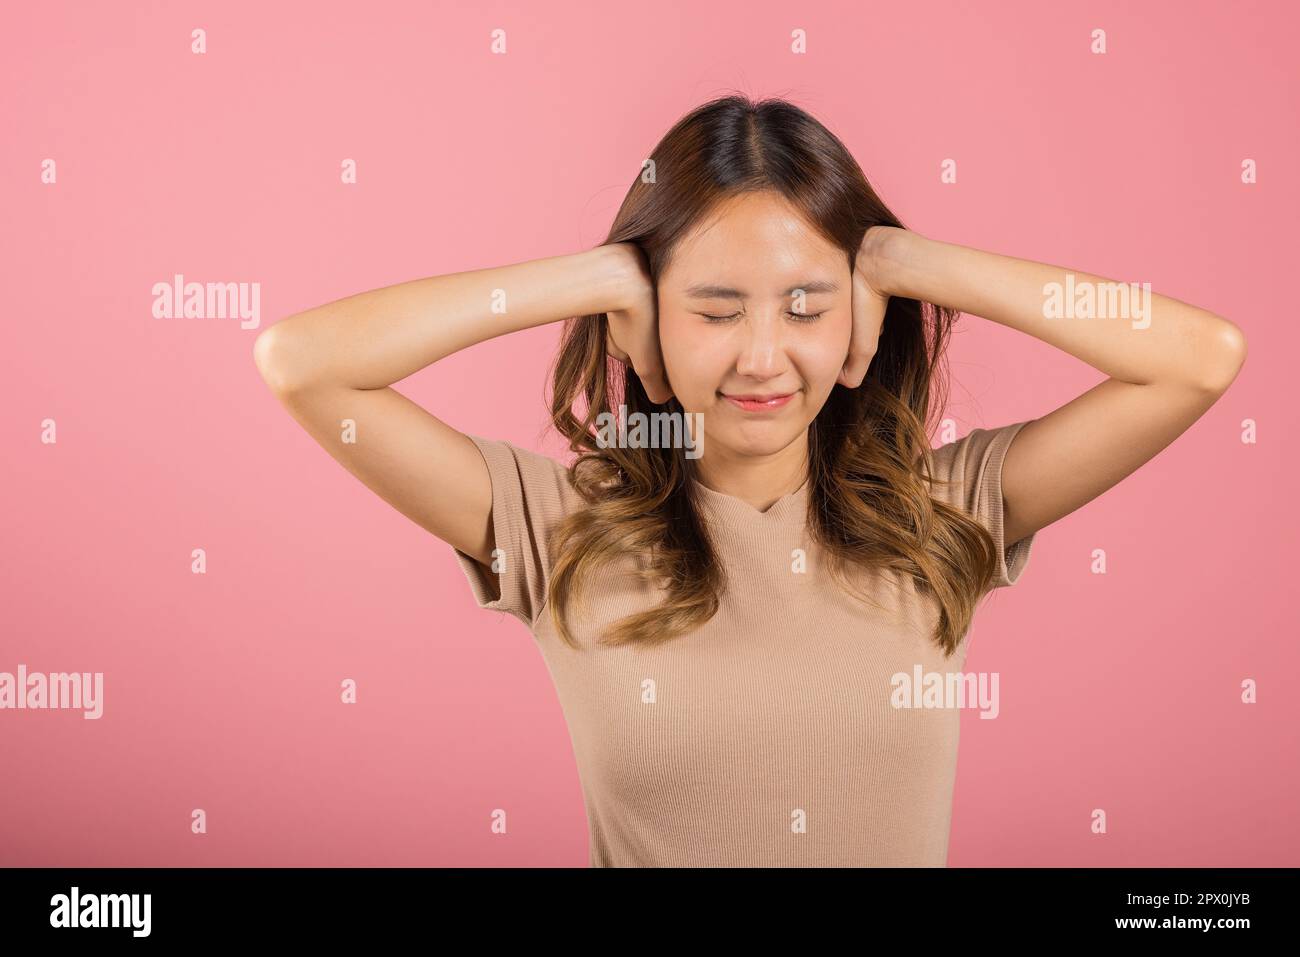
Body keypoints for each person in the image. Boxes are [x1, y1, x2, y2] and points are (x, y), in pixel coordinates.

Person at [253, 95, 1246, 867]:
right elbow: (303, 363)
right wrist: (593, 279)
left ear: (857, 324)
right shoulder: (557, 528)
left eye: (806, 308)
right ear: (646, 316)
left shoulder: (941, 513)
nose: (763, 360)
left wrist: (902, 259)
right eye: (716, 311)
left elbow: (1197, 356)